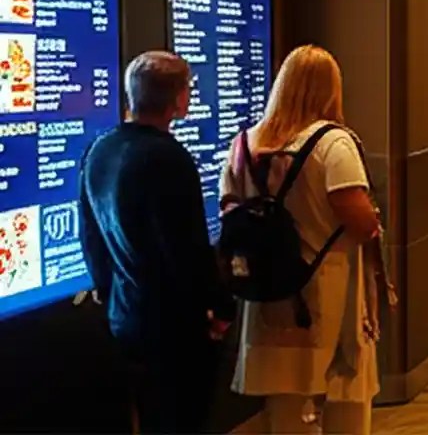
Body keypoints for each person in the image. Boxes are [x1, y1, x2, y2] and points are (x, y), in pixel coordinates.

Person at [220, 45, 387, 435]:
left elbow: (230, 209)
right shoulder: (333, 143)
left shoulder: (244, 143)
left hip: (269, 292)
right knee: (345, 394)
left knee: (285, 404)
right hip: (327, 287)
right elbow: (360, 221)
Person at [79, 51, 233, 433]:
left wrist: (106, 291)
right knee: (182, 419)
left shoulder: (100, 148)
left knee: (147, 417)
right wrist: (220, 307)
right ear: (178, 99)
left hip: (125, 318)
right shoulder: (169, 158)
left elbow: (91, 235)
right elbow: (188, 250)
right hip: (173, 329)